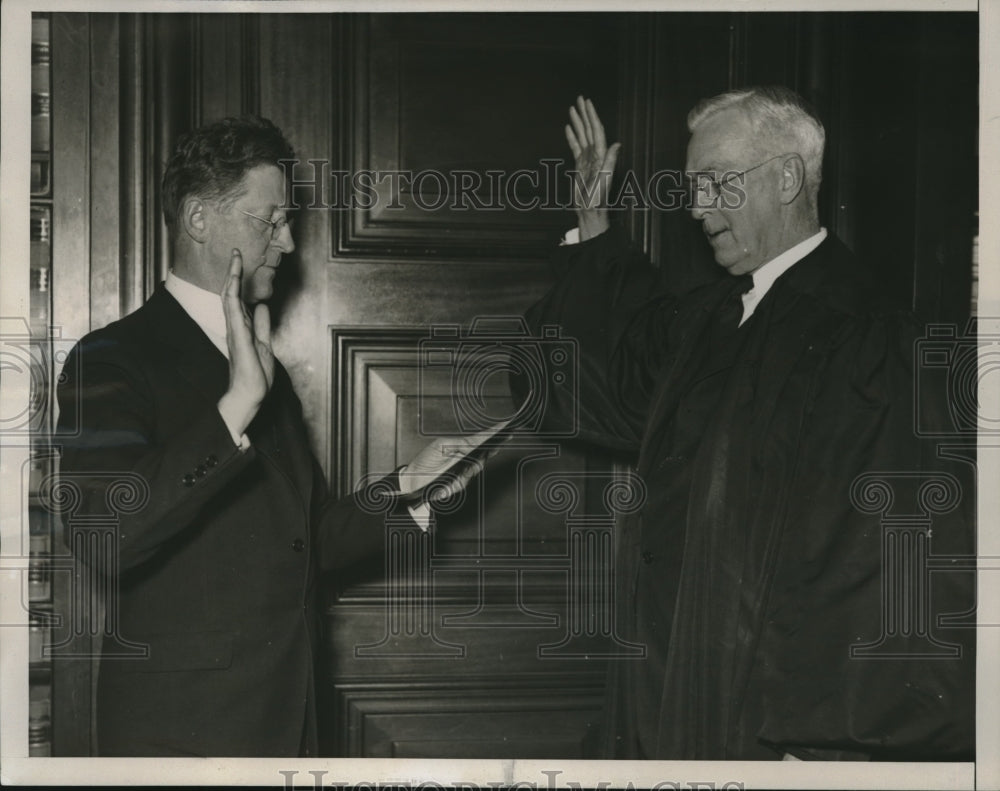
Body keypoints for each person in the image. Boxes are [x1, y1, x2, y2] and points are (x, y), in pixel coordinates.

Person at [519, 89, 975, 760]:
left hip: (767, 721)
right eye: (692, 185)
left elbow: (880, 566)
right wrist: (592, 220)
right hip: (668, 683)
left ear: (787, 177)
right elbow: (610, 368)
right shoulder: (712, 316)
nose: (697, 206)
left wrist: (819, 743)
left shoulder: (869, 342)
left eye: (714, 182)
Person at [55, 115, 479, 757]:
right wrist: (236, 407)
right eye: (270, 220)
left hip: (293, 725)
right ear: (199, 220)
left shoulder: (256, 362)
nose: (286, 243)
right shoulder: (111, 358)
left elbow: (308, 539)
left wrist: (415, 488)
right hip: (187, 739)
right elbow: (102, 534)